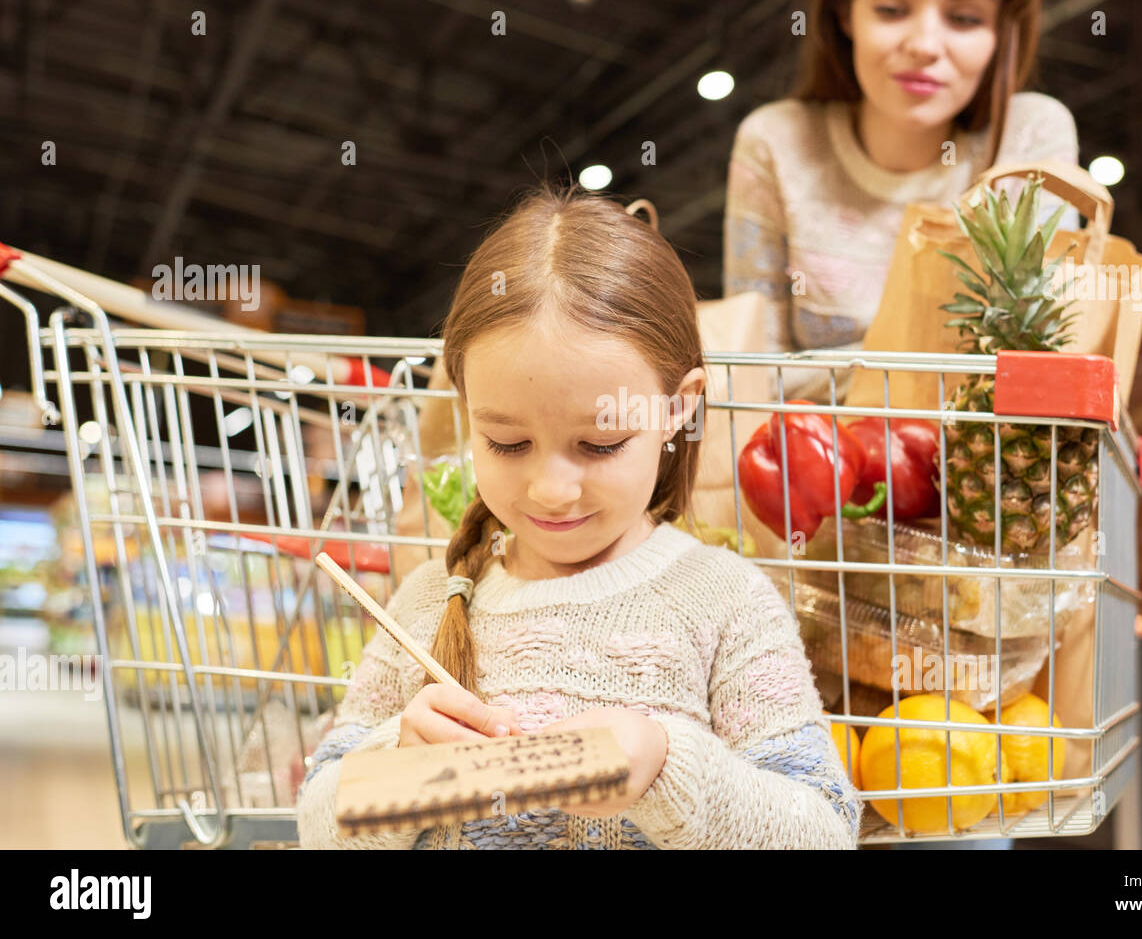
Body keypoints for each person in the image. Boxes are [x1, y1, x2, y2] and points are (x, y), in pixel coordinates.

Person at [296, 184, 863, 849]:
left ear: (678, 407)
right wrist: (396, 761)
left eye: (599, 443)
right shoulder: (429, 600)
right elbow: (317, 820)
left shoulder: (725, 600)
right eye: (507, 442)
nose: (550, 489)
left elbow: (822, 829)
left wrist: (664, 762)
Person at [724, 0, 1079, 403]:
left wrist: (838, 372)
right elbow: (751, 375)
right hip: (817, 459)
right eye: (892, 9)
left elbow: (1042, 359)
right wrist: (939, 365)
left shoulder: (1030, 134)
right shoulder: (777, 141)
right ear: (844, 12)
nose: (925, 45)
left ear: (1002, 28)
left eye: (965, 18)